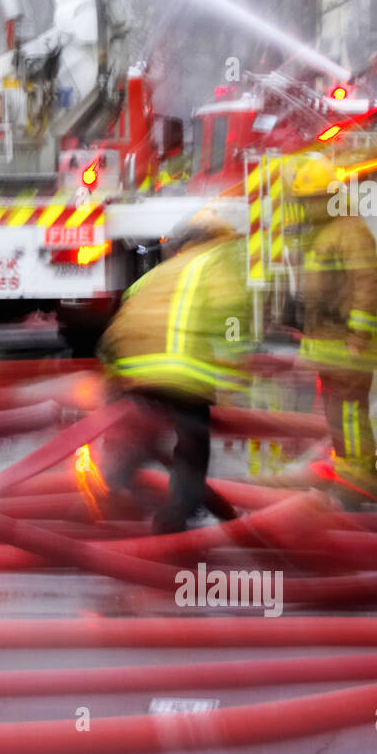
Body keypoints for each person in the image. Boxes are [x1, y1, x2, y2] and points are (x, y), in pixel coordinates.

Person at [97, 210, 250, 533]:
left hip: (133, 371)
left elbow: (124, 314)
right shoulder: (214, 264)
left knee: (143, 438)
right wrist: (236, 366)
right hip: (180, 374)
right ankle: (175, 519)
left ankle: (111, 490)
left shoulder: (159, 273)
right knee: (192, 447)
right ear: (215, 241)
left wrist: (114, 376)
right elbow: (230, 315)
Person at [289, 154, 377, 506]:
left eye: (311, 200)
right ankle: (360, 474)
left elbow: (366, 284)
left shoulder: (349, 230)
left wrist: (357, 337)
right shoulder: (325, 232)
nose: (307, 208)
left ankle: (358, 482)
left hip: (346, 346)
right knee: (339, 413)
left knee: (347, 414)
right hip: (328, 344)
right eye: (304, 201)